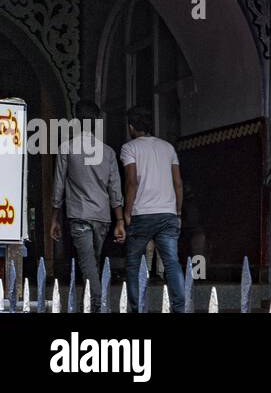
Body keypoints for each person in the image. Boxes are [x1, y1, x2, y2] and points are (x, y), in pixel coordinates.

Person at [51, 100, 125, 312]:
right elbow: (115, 190)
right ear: (97, 121)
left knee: (88, 265)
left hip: (80, 215)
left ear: (75, 120)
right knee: (92, 264)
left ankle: (96, 304)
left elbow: (58, 188)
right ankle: (92, 305)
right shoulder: (108, 152)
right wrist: (120, 221)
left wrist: (54, 218)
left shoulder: (67, 148)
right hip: (102, 217)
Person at [120, 106, 185, 312]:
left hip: (143, 214)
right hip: (168, 214)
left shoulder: (129, 148)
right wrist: (178, 212)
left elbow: (131, 182)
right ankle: (179, 308)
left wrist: (127, 212)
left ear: (131, 126)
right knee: (172, 263)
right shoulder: (168, 148)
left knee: (133, 263)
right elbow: (178, 183)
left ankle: (138, 308)